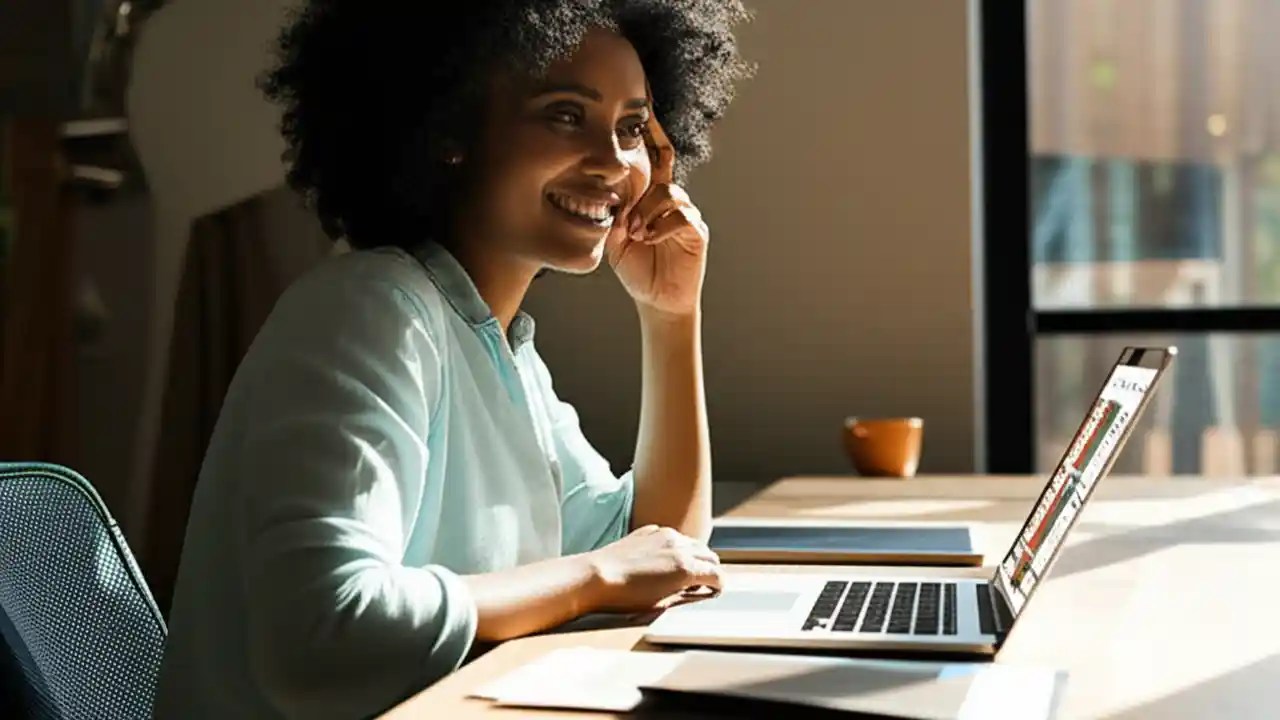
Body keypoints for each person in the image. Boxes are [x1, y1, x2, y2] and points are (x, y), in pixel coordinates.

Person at [152, 1, 752, 718]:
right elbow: (320, 634)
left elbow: (661, 556)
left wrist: (670, 315)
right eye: (566, 115)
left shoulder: (498, 348)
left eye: (632, 129)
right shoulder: (370, 309)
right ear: (449, 127)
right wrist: (591, 578)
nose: (616, 163)